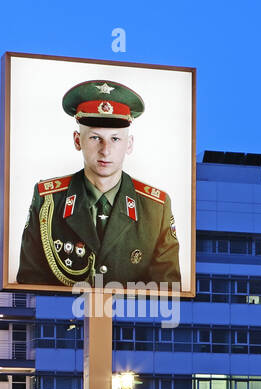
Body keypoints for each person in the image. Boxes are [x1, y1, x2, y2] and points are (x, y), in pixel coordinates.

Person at [16, 79, 180, 287]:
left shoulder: (156, 208)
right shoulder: (48, 200)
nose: (105, 150)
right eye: (95, 138)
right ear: (77, 140)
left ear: (129, 144)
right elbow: (31, 284)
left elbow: (167, 291)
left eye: (115, 139)